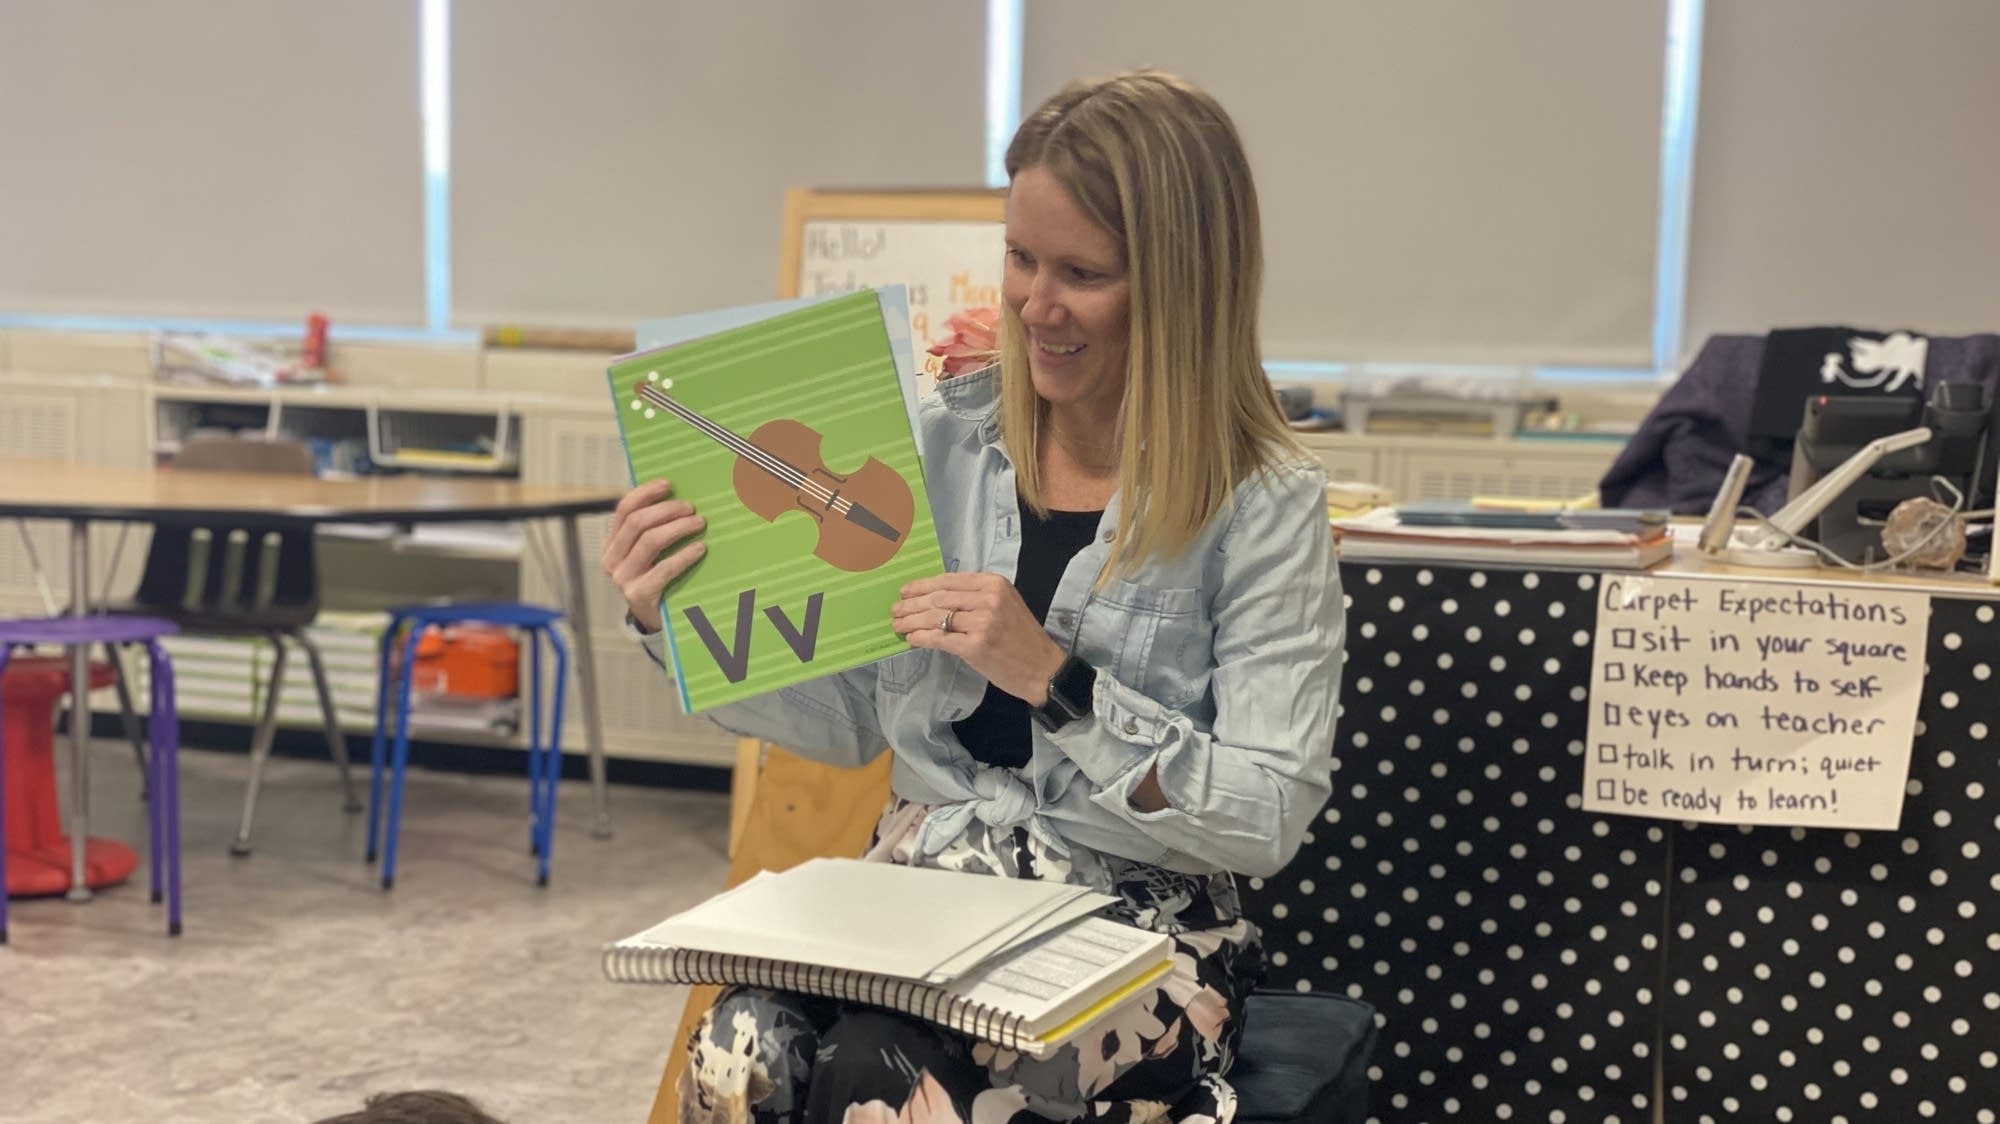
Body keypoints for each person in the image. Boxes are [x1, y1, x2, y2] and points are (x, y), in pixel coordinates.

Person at [603, 69, 1343, 1124]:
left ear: (1181, 285)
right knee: (738, 1047)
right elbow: (854, 715)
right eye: (1019, 256)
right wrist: (666, 618)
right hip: (919, 891)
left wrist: (1056, 681)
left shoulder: (1263, 502)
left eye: (1081, 272)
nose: (1034, 305)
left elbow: (1266, 814)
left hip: (1131, 928)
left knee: (876, 1076)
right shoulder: (937, 439)